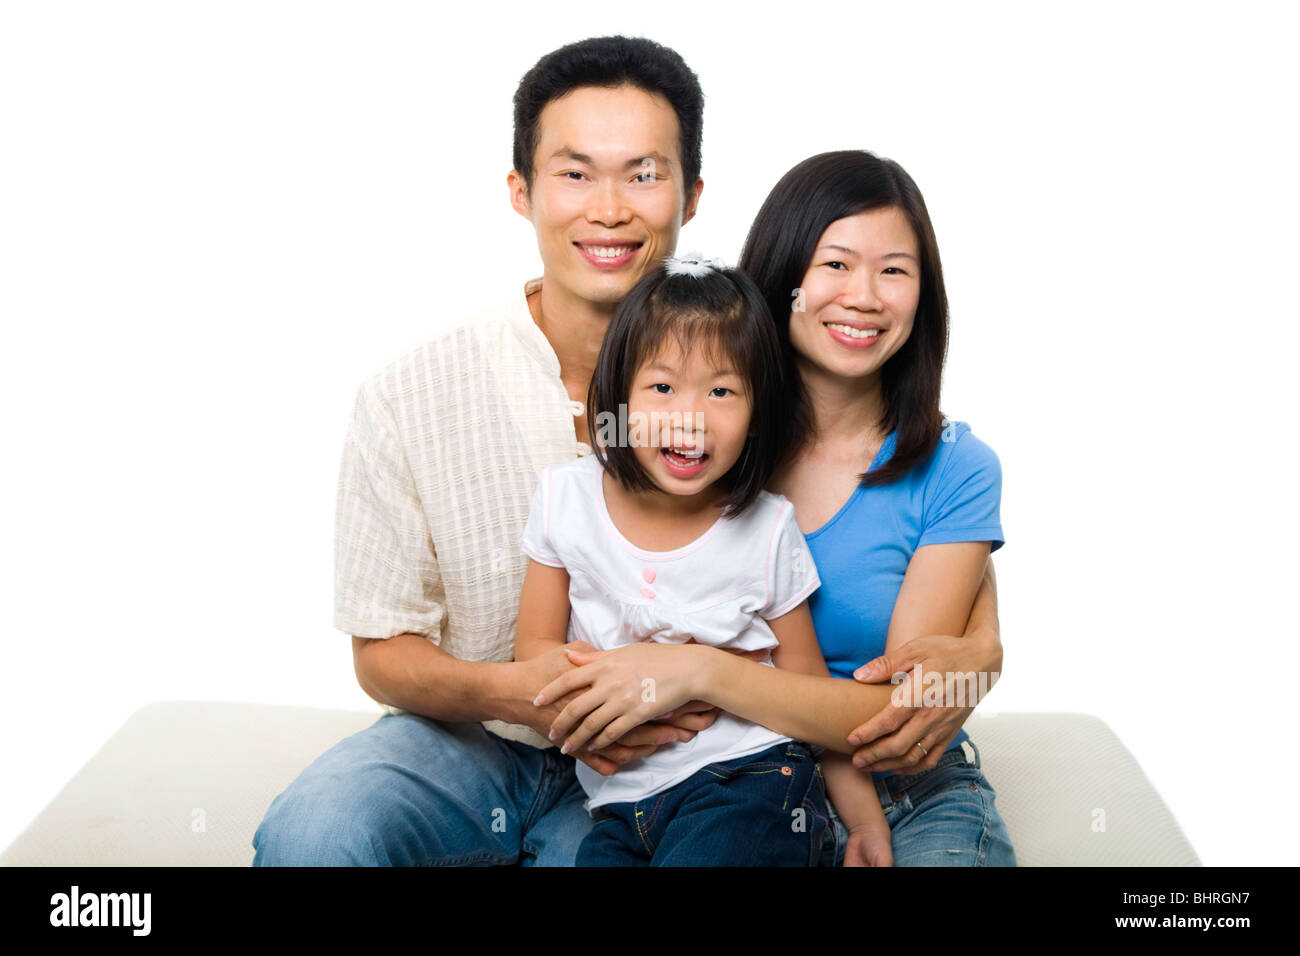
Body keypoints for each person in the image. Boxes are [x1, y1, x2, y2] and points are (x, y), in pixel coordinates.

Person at [252, 35, 722, 866]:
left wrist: (979, 647)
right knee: (315, 835)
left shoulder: (747, 386)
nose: (608, 209)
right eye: (574, 174)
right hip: (466, 739)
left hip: (664, 762)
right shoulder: (410, 393)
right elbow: (382, 651)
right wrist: (526, 696)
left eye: (643, 175)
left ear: (690, 196)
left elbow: (892, 505)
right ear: (521, 191)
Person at [534, 150, 1016, 866]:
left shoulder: (956, 467)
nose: (864, 296)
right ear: (785, 273)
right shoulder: (702, 455)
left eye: (895, 271)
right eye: (835, 264)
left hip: (883, 784)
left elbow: (895, 709)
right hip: (676, 780)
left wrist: (702, 671)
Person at [514, 256, 892, 866]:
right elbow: (532, 650)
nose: (690, 418)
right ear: (619, 396)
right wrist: (610, 688)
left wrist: (866, 825)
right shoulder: (566, 499)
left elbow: (813, 696)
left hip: (748, 782)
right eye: (662, 388)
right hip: (619, 805)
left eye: (721, 391)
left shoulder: (766, 529)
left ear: (756, 411)